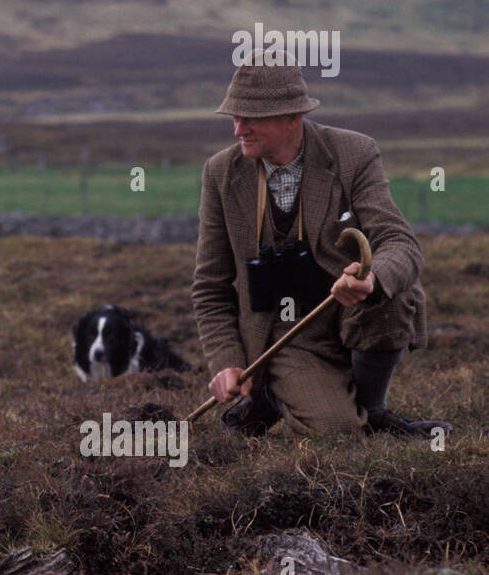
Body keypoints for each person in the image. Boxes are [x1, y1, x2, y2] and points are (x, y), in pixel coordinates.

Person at [191, 48, 450, 437]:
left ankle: (373, 411)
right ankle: (268, 396)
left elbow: (400, 242)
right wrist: (227, 362)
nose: (237, 129)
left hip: (349, 319)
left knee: (396, 287)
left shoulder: (354, 153)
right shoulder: (220, 174)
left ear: (292, 117)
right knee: (336, 432)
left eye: (250, 119)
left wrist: (372, 279)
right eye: (235, 117)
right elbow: (211, 287)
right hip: (284, 335)